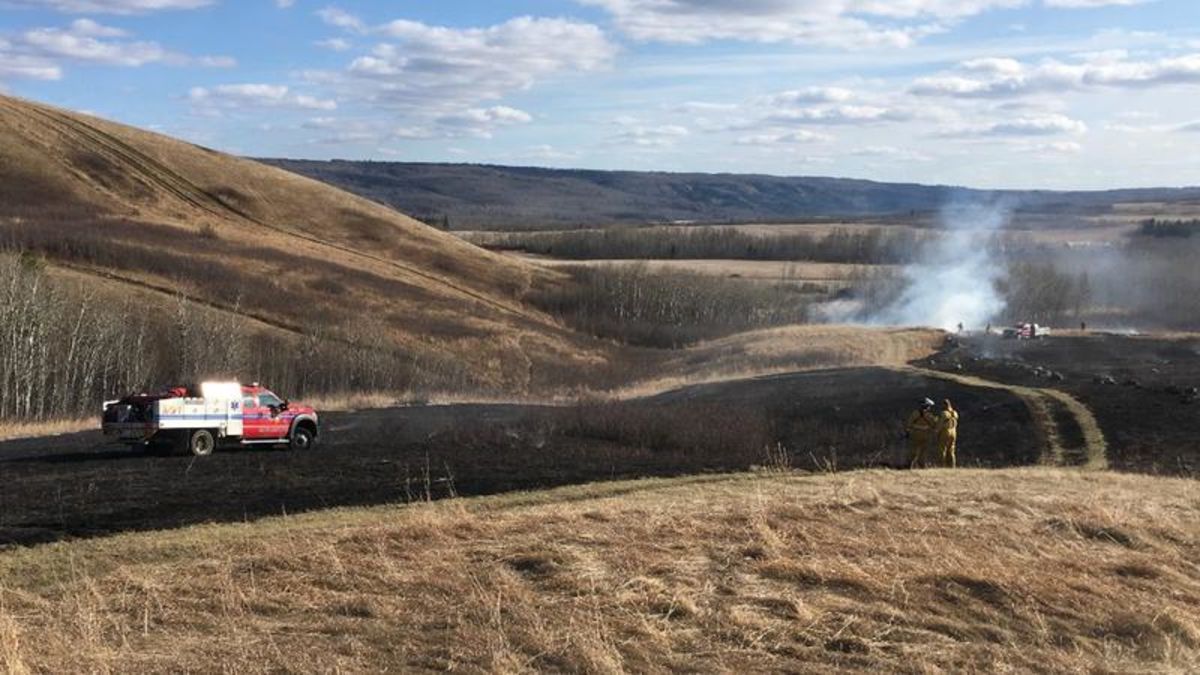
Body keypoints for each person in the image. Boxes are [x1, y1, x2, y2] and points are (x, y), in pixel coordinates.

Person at [905, 398, 938, 469]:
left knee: (913, 451)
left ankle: (909, 465)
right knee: (923, 452)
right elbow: (935, 425)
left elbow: (909, 424)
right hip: (926, 435)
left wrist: (908, 432)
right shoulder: (930, 416)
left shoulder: (915, 413)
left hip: (915, 434)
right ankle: (922, 466)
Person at [938, 399, 959, 468]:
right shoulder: (954, 413)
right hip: (954, 431)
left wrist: (937, 431)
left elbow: (940, 424)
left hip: (946, 431)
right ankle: (952, 466)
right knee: (951, 450)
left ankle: (942, 466)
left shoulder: (944, 413)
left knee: (942, 449)